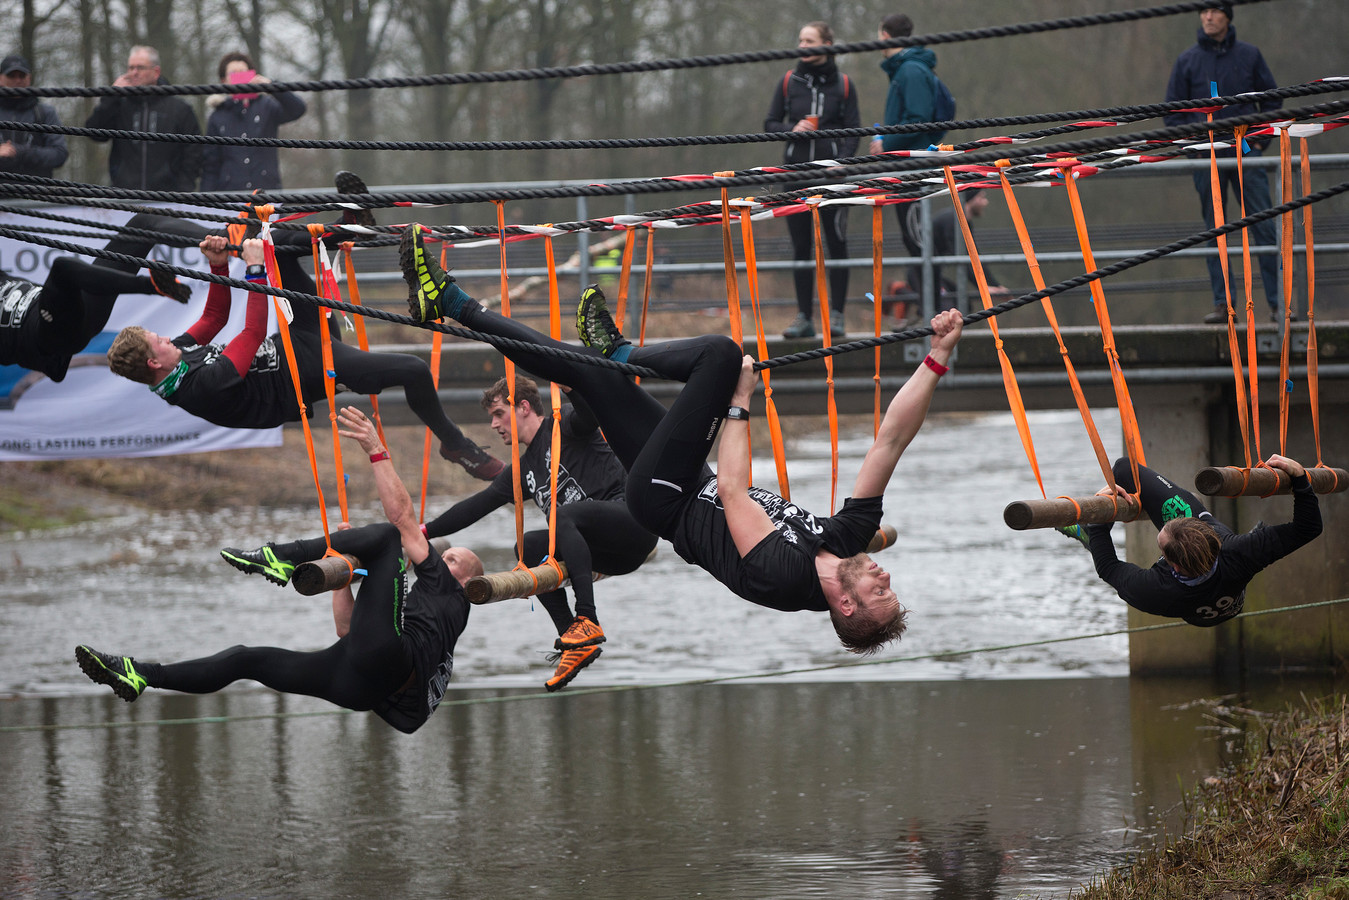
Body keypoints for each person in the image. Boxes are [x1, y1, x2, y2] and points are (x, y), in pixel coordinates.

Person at [401, 223, 965, 653]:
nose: (884, 575)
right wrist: (937, 360)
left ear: (844, 602)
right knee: (586, 374)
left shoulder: (784, 579)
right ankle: (451, 305)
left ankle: (619, 355)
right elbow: (889, 443)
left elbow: (736, 496)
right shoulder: (847, 541)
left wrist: (738, 401)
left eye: (879, 591)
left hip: (662, 501)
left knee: (721, 357)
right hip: (689, 476)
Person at [76, 405, 484, 734]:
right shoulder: (426, 609)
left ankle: (283, 555)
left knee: (385, 537)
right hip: (358, 682)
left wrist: (377, 450)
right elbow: (348, 631)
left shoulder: (452, 595)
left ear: (467, 583)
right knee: (245, 659)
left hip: (390, 664)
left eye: (452, 559)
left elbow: (403, 523)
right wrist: (340, 571)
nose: (439, 558)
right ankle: (141, 675)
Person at [105, 219, 503, 480]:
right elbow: (250, 332)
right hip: (308, 372)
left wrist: (218, 266)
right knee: (414, 370)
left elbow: (213, 318)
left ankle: (355, 225)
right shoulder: (196, 387)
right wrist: (256, 271)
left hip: (298, 341)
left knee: (273, 240)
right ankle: (456, 445)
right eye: (158, 340)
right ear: (153, 361)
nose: (166, 338)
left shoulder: (174, 359)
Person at [422, 375, 658, 691]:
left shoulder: (566, 426)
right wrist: (420, 531)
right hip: (610, 555)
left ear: (523, 407)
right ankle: (574, 640)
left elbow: (592, 413)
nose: (493, 425)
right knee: (528, 547)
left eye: (498, 414)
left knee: (561, 517)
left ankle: (587, 618)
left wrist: (572, 384)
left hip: (633, 524)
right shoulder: (522, 470)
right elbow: (475, 507)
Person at [1060, 455, 1322, 627]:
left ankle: (1084, 532)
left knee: (1122, 469)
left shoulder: (1153, 590)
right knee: (1125, 471)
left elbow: (1108, 567)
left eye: (1160, 543)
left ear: (1170, 564)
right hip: (1229, 592)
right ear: (1208, 533)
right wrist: (1300, 477)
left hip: (1193, 608)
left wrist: (1100, 515)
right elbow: (1308, 527)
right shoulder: (1242, 551)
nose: (1165, 526)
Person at [1163, 2, 1284, 323]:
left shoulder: (1249, 55)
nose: (1208, 16)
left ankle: (1279, 304)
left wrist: (1260, 140)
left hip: (1246, 154)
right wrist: (1194, 149)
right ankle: (1224, 306)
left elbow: (1272, 99)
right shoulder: (1187, 61)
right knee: (1214, 231)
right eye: (1204, 12)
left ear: (1228, 16)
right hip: (1207, 158)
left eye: (1215, 11)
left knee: (1264, 228)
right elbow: (1172, 113)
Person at [0, 216, 194, 383]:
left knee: (143, 224)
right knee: (62, 270)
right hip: (50, 337)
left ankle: (220, 234)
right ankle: (152, 286)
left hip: (79, 310)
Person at [765, 21, 861, 339]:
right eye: (800, 40)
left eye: (810, 40)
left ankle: (837, 316)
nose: (803, 46)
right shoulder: (788, 81)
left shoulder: (845, 85)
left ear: (827, 43)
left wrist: (841, 164)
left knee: (837, 244)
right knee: (801, 247)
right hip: (794, 176)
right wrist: (790, 129)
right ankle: (804, 317)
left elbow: (854, 131)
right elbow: (769, 123)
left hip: (833, 178)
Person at [868, 14, 947, 317]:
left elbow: (917, 119)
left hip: (915, 168)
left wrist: (885, 144)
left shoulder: (911, 70)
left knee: (918, 239)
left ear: (885, 37)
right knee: (914, 239)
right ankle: (932, 308)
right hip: (907, 165)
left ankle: (935, 309)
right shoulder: (906, 69)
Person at [84, 45, 202, 191]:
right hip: (125, 196)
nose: (134, 73)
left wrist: (183, 189)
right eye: (130, 68)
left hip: (168, 198)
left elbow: (194, 153)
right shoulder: (119, 104)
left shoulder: (179, 108)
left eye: (140, 68)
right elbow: (94, 133)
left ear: (156, 72)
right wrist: (111, 96)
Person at [200, 51, 307, 192]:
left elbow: (297, 109)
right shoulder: (217, 116)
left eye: (243, 72)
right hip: (231, 197)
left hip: (267, 193)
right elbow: (211, 165)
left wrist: (272, 86)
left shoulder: (267, 106)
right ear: (224, 81)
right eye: (233, 73)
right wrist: (205, 203)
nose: (239, 77)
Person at [924, 189, 1011, 313]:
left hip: (934, 274)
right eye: (982, 197)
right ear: (972, 199)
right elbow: (961, 257)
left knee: (965, 305)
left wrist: (995, 286)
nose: (985, 202)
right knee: (949, 309)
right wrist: (983, 287)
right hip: (923, 274)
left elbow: (975, 257)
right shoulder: (952, 220)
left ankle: (919, 320)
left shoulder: (964, 222)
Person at [0, 54, 68, 179]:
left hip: (37, 194)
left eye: (22, 75)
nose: (17, 80)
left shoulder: (45, 112)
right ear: (1, 78)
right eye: (11, 75)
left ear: (29, 78)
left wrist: (20, 152)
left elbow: (59, 155)